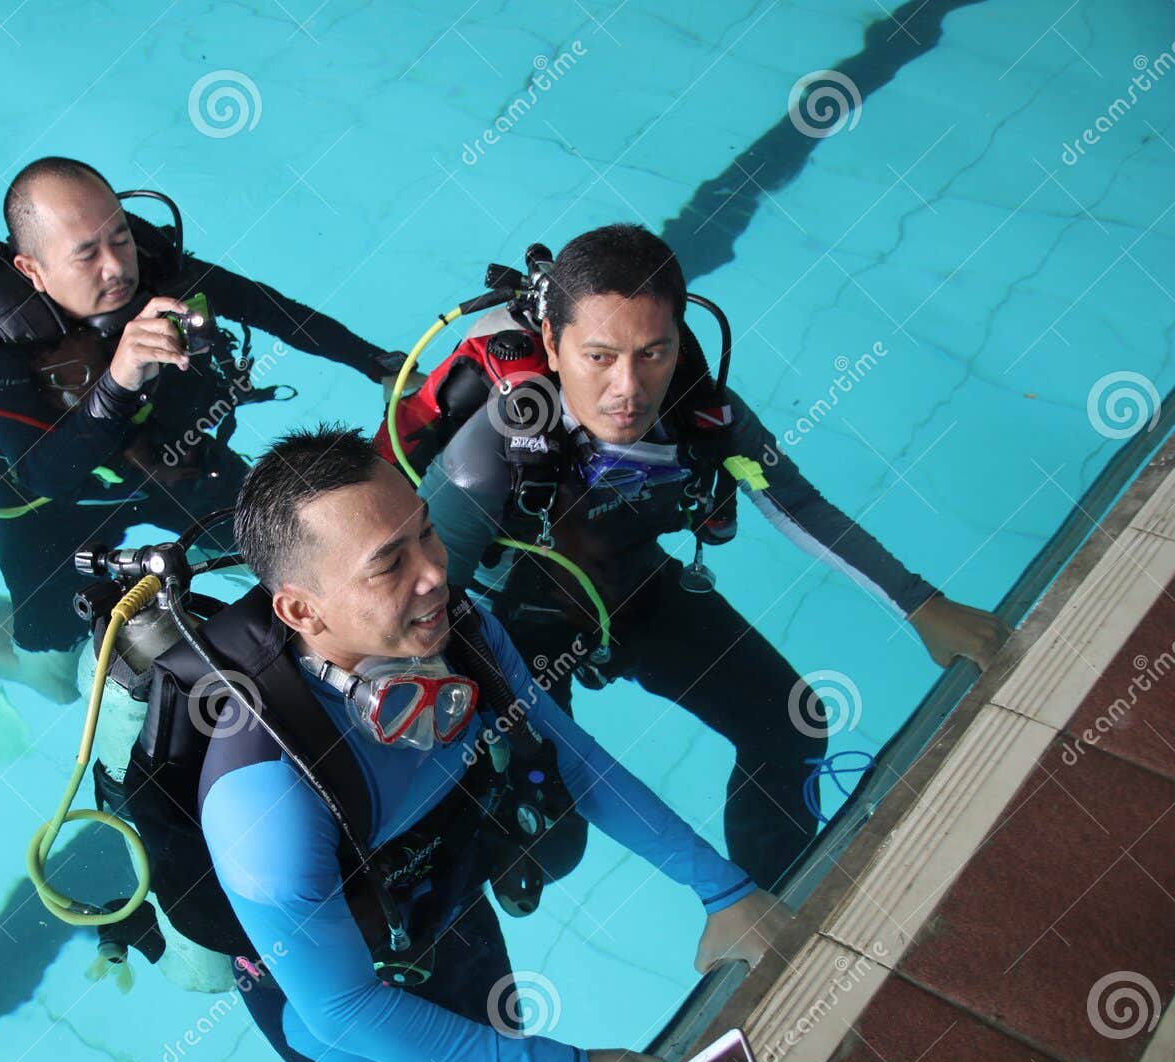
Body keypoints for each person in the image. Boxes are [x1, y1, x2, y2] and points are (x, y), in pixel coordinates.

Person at [414, 223, 1010, 890]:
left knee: (792, 723)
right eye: (599, 356)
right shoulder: (488, 454)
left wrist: (922, 605)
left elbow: (795, 504)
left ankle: (774, 906)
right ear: (552, 345)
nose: (627, 389)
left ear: (679, 339)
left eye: (653, 352)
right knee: (551, 846)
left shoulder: (703, 412)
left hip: (633, 587)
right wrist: (500, 730)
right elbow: (428, 612)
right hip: (513, 628)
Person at [195, 424, 788, 1062]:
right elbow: (341, 1014)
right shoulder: (263, 797)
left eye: (426, 532)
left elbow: (574, 759)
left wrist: (724, 891)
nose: (435, 573)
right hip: (333, 1011)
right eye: (389, 564)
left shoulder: (460, 633)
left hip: (441, 903)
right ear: (302, 612)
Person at [0, 157, 407, 706]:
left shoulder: (159, 276)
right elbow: (45, 476)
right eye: (86, 254)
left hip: (169, 465)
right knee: (58, 680)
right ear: (32, 270)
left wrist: (377, 363)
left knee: (295, 556)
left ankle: (169, 582)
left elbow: (270, 309)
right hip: (54, 511)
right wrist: (118, 380)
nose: (116, 267)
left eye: (120, 238)